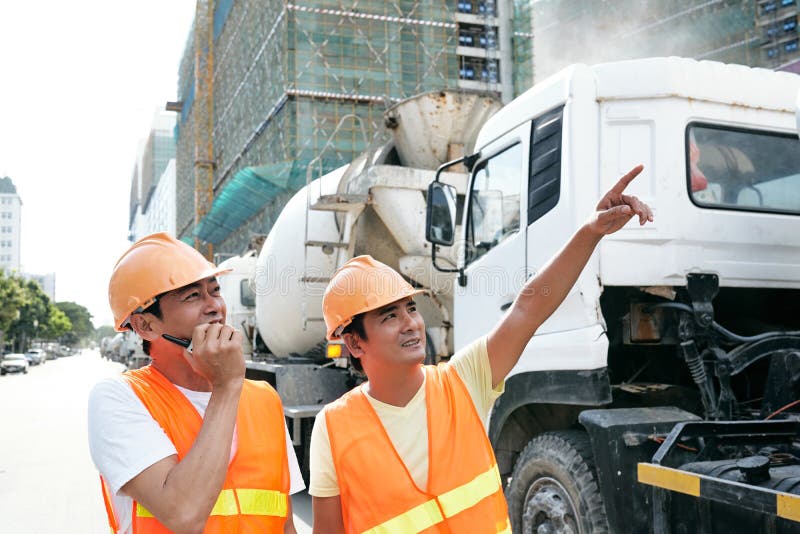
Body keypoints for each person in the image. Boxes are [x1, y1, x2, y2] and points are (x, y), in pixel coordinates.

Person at [309, 165, 653, 533]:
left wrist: (590, 232)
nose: (411, 323)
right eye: (390, 316)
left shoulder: (462, 381)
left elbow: (528, 308)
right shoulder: (334, 428)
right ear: (354, 342)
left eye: (411, 308)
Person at [88, 232, 304, 533]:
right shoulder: (120, 398)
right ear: (146, 325)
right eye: (192, 296)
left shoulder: (264, 398)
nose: (215, 306)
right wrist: (226, 387)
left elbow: (284, 523)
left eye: (215, 291)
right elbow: (184, 513)